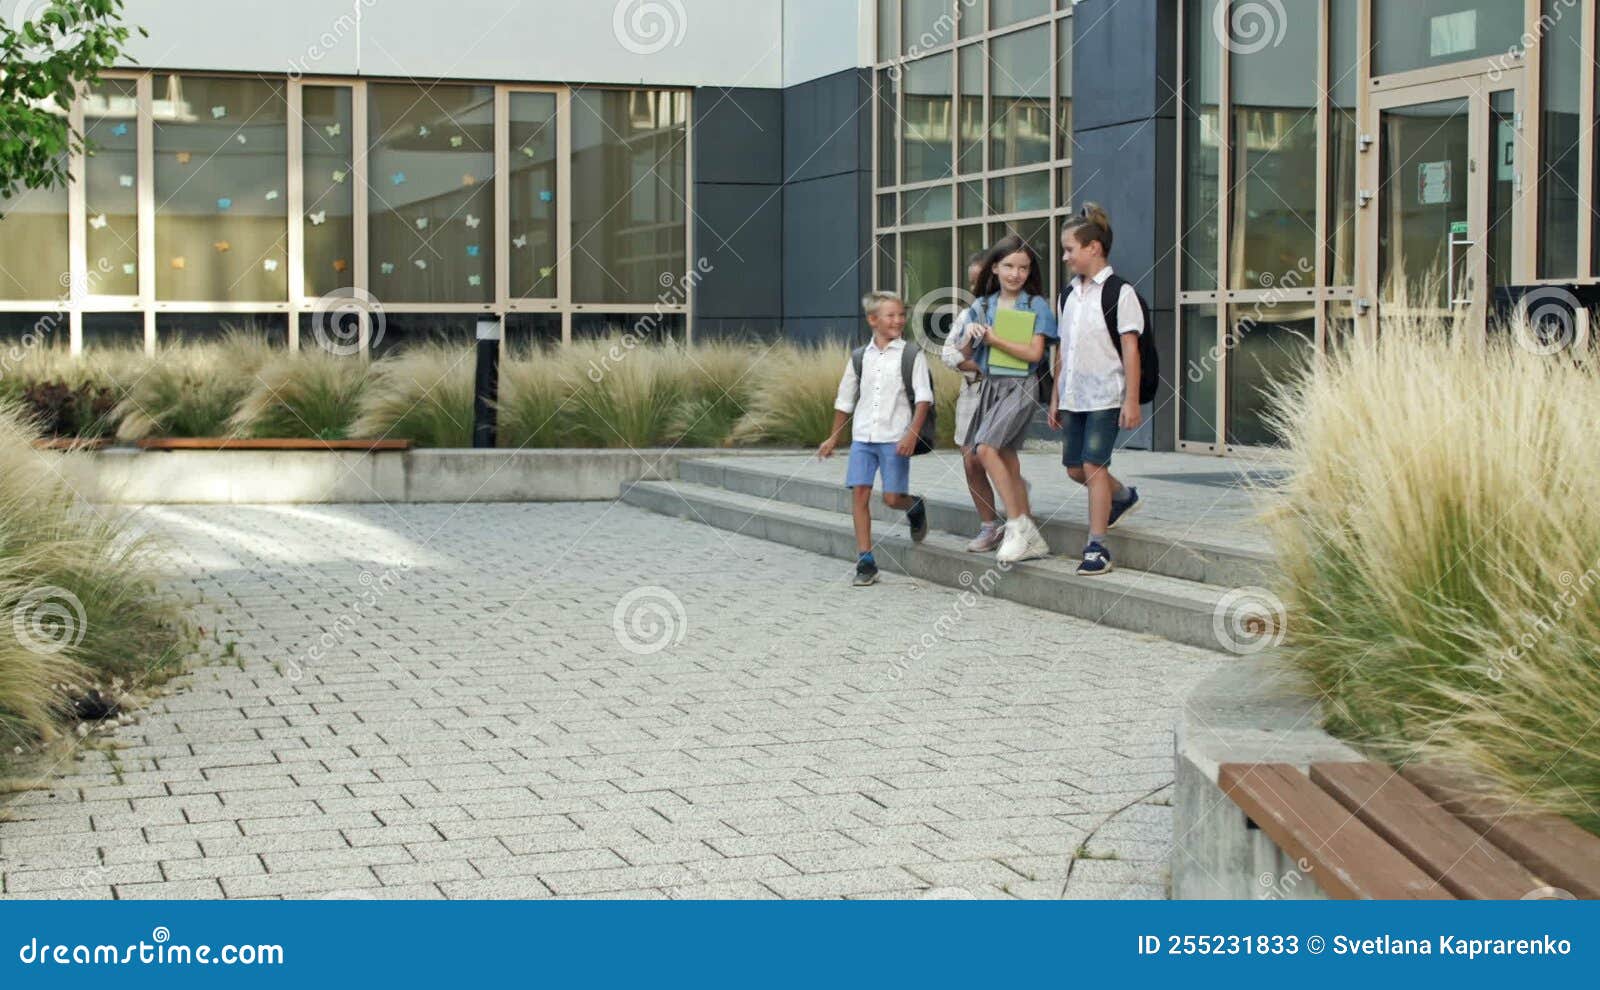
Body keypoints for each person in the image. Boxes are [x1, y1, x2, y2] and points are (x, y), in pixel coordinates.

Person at [1048, 204, 1145, 576]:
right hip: (1073, 396)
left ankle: (1097, 546)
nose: (1065, 256)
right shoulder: (1068, 295)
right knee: (1076, 470)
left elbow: (1130, 350)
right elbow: (1063, 349)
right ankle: (1122, 497)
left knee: (1094, 465)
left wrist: (1131, 400)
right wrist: (1056, 396)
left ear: (1093, 248)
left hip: (1106, 395)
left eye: (1070, 248)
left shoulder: (1120, 293)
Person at [817, 291, 933, 587]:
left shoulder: (911, 354)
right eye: (890, 315)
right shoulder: (860, 357)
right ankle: (865, 560)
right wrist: (833, 438)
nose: (898, 320)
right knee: (859, 494)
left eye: (901, 315)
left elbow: (924, 400)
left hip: (895, 438)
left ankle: (913, 506)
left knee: (892, 497)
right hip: (863, 438)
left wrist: (912, 433)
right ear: (873, 320)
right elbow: (844, 400)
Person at [961, 235, 1057, 564]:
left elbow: (1034, 353)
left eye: (1024, 268)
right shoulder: (982, 305)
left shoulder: (1036, 306)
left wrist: (994, 338)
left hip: (1021, 386)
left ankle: (1018, 527)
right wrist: (971, 338)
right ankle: (1030, 535)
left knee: (985, 448)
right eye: (1009, 266)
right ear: (995, 268)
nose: (1016, 274)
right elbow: (964, 355)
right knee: (1006, 457)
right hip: (991, 385)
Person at [941, 250, 1006, 552]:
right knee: (970, 462)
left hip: (1003, 395)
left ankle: (1019, 520)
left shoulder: (1012, 312)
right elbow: (948, 355)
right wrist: (979, 364)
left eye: (980, 281)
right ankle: (989, 527)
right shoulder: (967, 316)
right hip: (972, 393)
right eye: (971, 283)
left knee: (989, 457)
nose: (975, 288)